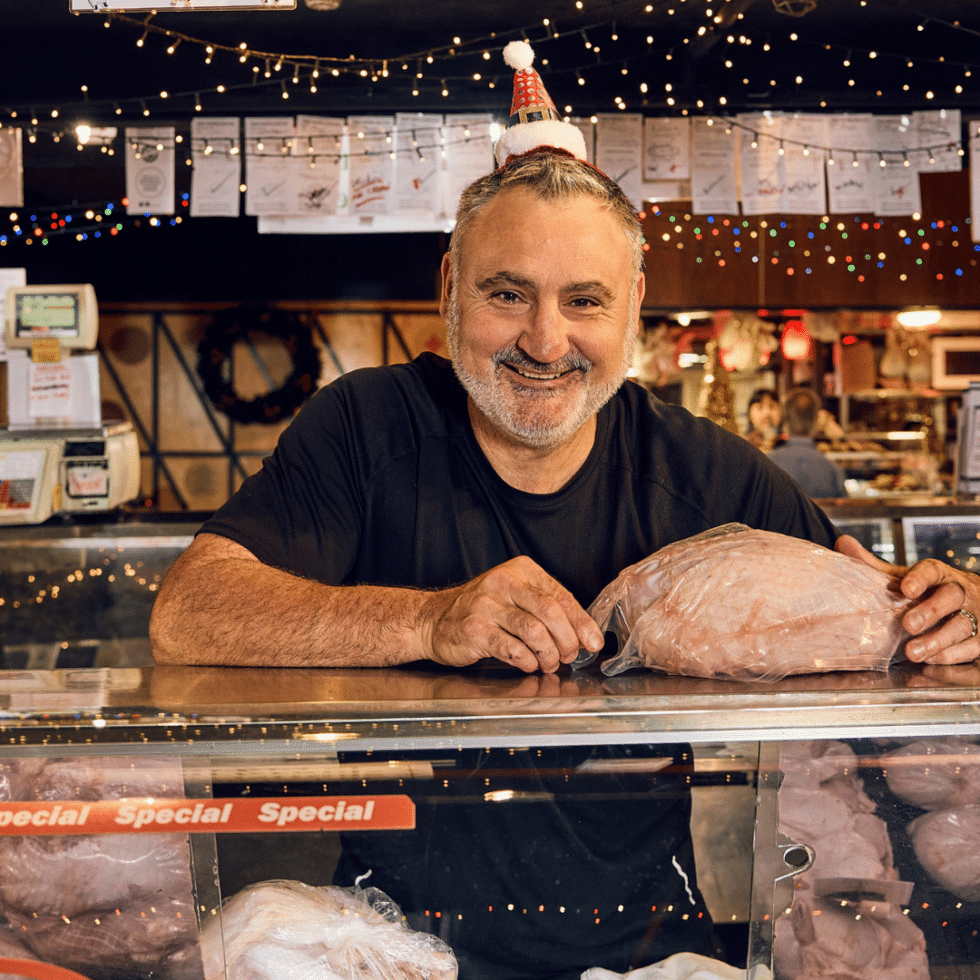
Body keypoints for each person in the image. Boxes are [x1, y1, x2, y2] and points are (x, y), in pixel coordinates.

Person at [149, 80, 980, 978]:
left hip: (649, 951)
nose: (547, 343)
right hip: (391, 943)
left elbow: (885, 615)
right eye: (509, 293)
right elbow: (187, 613)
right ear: (450, 289)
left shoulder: (704, 471)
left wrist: (957, 604)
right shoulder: (367, 429)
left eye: (584, 301)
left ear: (633, 302)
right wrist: (426, 620)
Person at [768, 387, 847, 499]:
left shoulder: (766, 464)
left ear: (785, 421)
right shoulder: (833, 470)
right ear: (815, 422)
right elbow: (842, 512)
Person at [743, 386, 782, 451]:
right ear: (749, 414)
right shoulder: (742, 445)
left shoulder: (788, 444)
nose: (766, 413)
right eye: (760, 407)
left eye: (772, 406)